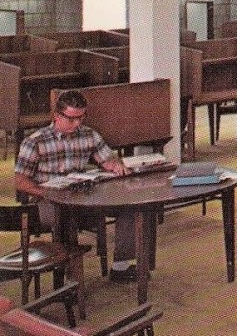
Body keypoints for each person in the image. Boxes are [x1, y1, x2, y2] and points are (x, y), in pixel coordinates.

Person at [13, 90, 142, 281]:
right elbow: (20, 181)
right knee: (66, 216)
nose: (77, 124)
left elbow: (108, 160)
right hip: (47, 202)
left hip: (82, 196)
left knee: (130, 208)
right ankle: (71, 281)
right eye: (71, 119)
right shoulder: (35, 142)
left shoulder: (89, 135)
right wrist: (47, 192)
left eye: (81, 118)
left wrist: (116, 166)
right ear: (57, 116)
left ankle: (120, 267)